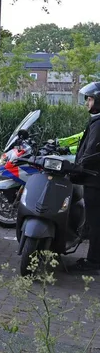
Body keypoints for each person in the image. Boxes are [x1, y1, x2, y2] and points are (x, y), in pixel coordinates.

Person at [68, 81, 100, 273]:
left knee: (95, 222)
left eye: (90, 99)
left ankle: (93, 262)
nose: (88, 102)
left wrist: (77, 167)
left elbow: (91, 152)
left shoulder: (98, 123)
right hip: (95, 179)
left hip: (94, 180)